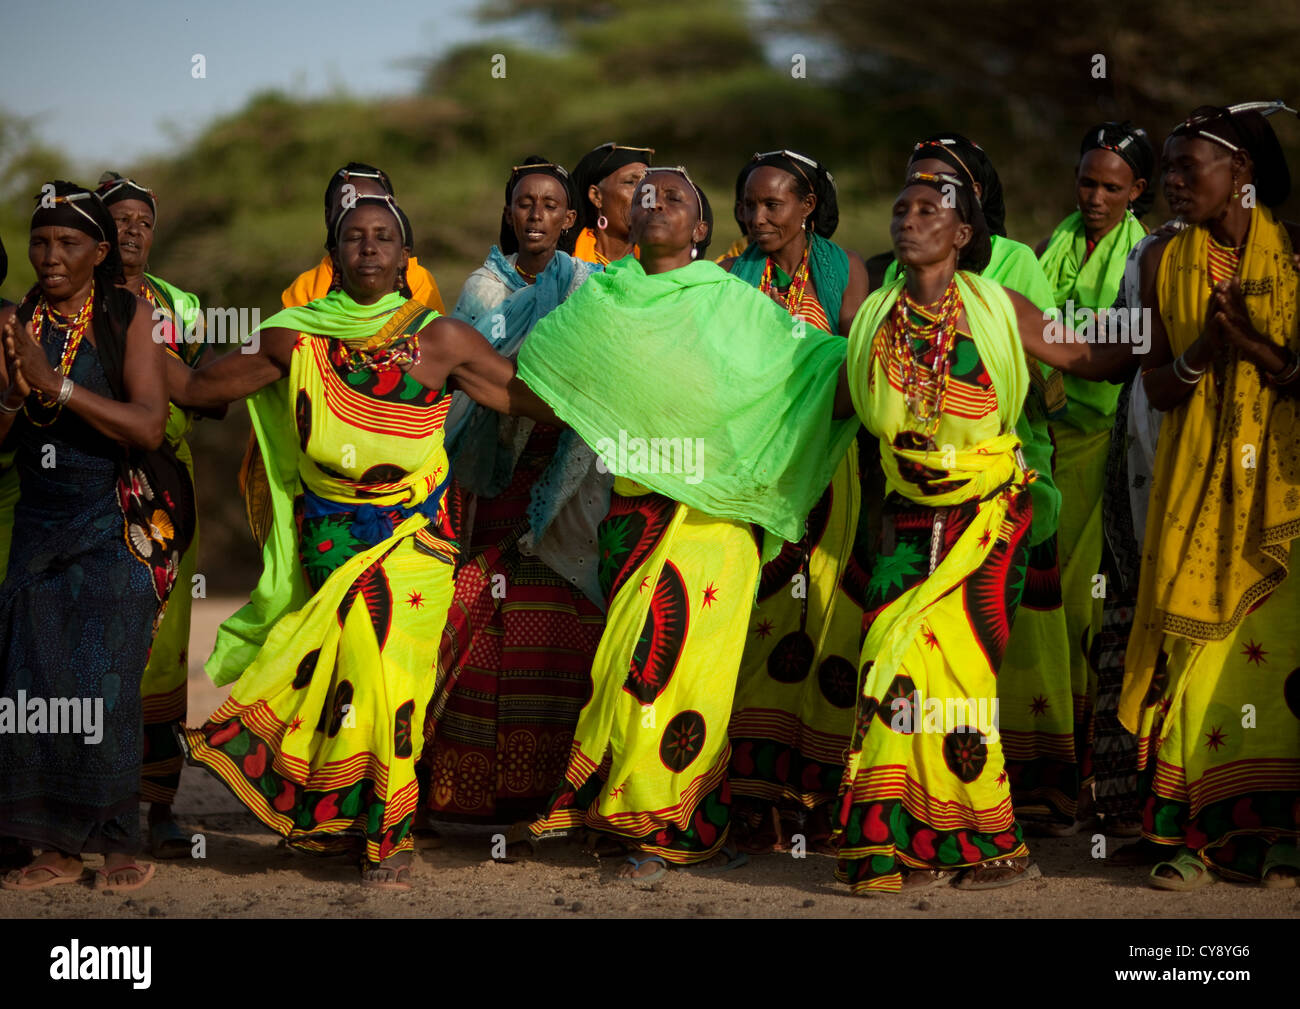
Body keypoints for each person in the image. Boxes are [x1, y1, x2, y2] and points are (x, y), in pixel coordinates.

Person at [173, 193, 555, 889]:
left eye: (384, 238)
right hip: (331, 538)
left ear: (407, 257)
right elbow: (203, 388)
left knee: (390, 678)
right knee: (342, 677)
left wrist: (626, 396)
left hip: (415, 538)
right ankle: (335, 819)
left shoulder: (442, 338)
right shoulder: (293, 336)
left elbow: (526, 398)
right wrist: (132, 356)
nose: (370, 248)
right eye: (355, 238)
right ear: (334, 255)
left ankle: (391, 833)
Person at [522, 167, 859, 882]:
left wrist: (893, 342)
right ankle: (629, 813)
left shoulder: (735, 304)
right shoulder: (600, 301)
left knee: (691, 676)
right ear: (624, 221)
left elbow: (812, 370)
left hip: (716, 524)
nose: (656, 202)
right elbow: (540, 382)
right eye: (644, 195)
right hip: (633, 515)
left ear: (703, 229)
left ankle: (668, 828)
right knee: (630, 669)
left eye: (675, 196)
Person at [833, 168, 1132, 895]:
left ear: (962, 233)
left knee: (960, 678)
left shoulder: (1002, 307)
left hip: (988, 515)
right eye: (900, 208)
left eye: (928, 210)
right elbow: (833, 400)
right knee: (890, 666)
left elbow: (1091, 357)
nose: (908, 219)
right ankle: (903, 835)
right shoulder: (874, 317)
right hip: (905, 516)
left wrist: (1171, 339)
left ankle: (993, 842)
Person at [1117, 102, 1300, 890]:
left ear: (1242, 175)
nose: (1173, 182)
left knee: (1273, 659)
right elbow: (1154, 385)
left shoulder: (1293, 255)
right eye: (1168, 168)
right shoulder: (1161, 261)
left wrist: (1253, 347)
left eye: (1190, 167)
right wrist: (1203, 350)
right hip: (1190, 484)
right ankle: (1187, 831)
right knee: (1186, 648)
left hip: (1280, 494)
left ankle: (1274, 828)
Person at [896, 135, 1080, 833]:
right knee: (935, 653)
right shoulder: (903, 274)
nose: (922, 207)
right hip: (918, 492)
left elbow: (1049, 364)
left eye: (941, 189)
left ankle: (1036, 793)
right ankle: (938, 795)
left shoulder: (1013, 265)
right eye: (912, 191)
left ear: (971, 208)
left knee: (1015, 642)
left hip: (1011, 470)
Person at [421, 158, 605, 828]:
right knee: (470, 610)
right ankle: (463, 798)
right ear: (509, 213)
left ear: (570, 219)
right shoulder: (482, 289)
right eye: (524, 203)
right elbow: (457, 393)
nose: (535, 214)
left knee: (557, 627)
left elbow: (595, 376)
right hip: (494, 483)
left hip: (567, 481)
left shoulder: (591, 287)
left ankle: (546, 798)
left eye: (550, 204)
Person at [0, 182, 173, 892]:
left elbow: (148, 426)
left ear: (100, 252)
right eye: (39, 241)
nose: (50, 255)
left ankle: (116, 839)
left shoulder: (128, 316)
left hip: (112, 522)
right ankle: (54, 845)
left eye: (68, 243)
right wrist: (14, 395)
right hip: (39, 525)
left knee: (104, 682)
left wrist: (58, 386)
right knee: (34, 680)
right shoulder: (14, 322)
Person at [720, 149, 871, 852]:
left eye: (773, 204)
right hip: (758, 475)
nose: (757, 218)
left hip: (832, 473)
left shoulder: (846, 272)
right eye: (748, 205)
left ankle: (817, 800)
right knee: (760, 625)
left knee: (827, 616)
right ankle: (752, 802)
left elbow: (856, 363)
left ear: (807, 205)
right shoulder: (727, 275)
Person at [1034, 123, 1155, 833]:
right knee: (1052, 601)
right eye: (1088, 182)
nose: (1097, 196)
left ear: (1137, 190)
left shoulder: (1140, 252)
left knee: (1090, 605)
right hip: (1051, 438)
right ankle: (1053, 765)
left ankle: (1088, 770)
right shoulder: (1054, 244)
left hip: (1109, 438)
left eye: (1113, 186)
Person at [96, 171, 210, 859]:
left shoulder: (182, 305)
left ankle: (161, 809)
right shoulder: (76, 303)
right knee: (105, 645)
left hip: (168, 484)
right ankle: (96, 807)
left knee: (167, 649)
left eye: (143, 219)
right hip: (98, 483)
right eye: (119, 219)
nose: (133, 230)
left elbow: (196, 392)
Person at [569, 142, 654, 265]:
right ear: (596, 196)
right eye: (630, 182)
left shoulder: (659, 265)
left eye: (648, 184)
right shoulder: (563, 268)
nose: (645, 193)